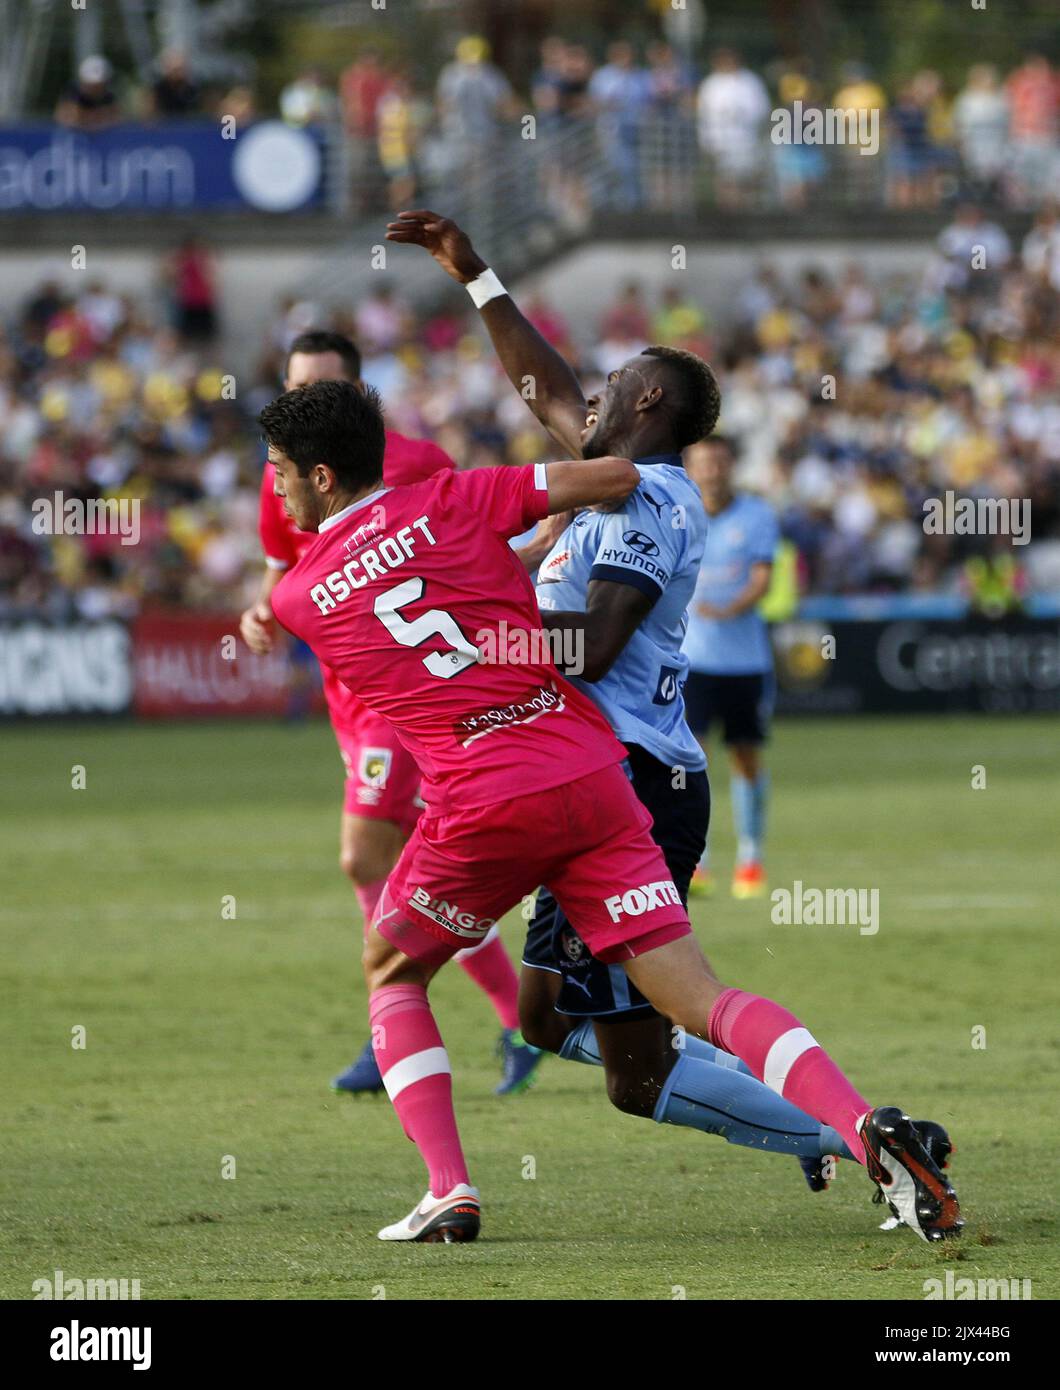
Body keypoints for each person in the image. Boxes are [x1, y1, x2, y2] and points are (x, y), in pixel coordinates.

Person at [264, 208, 963, 1247]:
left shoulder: (654, 506)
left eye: (603, 389)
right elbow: (542, 391)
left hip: (621, 769)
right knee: (567, 1022)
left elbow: (586, 647)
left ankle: (834, 1132)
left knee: (637, 1057)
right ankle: (853, 1126)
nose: (572, 399)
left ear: (642, 400)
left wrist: (463, 634)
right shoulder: (604, 479)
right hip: (589, 768)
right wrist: (476, 276)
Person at [240, 331, 539, 1097]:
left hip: (402, 694)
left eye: (318, 384)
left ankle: (397, 1014)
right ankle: (506, 1017)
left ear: (355, 392)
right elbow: (286, 564)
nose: (302, 396)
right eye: (293, 382)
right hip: (349, 694)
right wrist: (263, 610)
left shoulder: (418, 464)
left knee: (364, 857)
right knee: (410, 865)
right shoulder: (283, 468)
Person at [682, 437, 777, 899]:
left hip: (744, 662)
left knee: (745, 757)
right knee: (691, 760)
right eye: (704, 464)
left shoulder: (757, 515)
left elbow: (763, 580)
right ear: (692, 468)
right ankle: (696, 861)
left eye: (719, 463)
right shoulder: (678, 514)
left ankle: (751, 856)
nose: (713, 472)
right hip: (691, 661)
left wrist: (729, 608)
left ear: (731, 465)